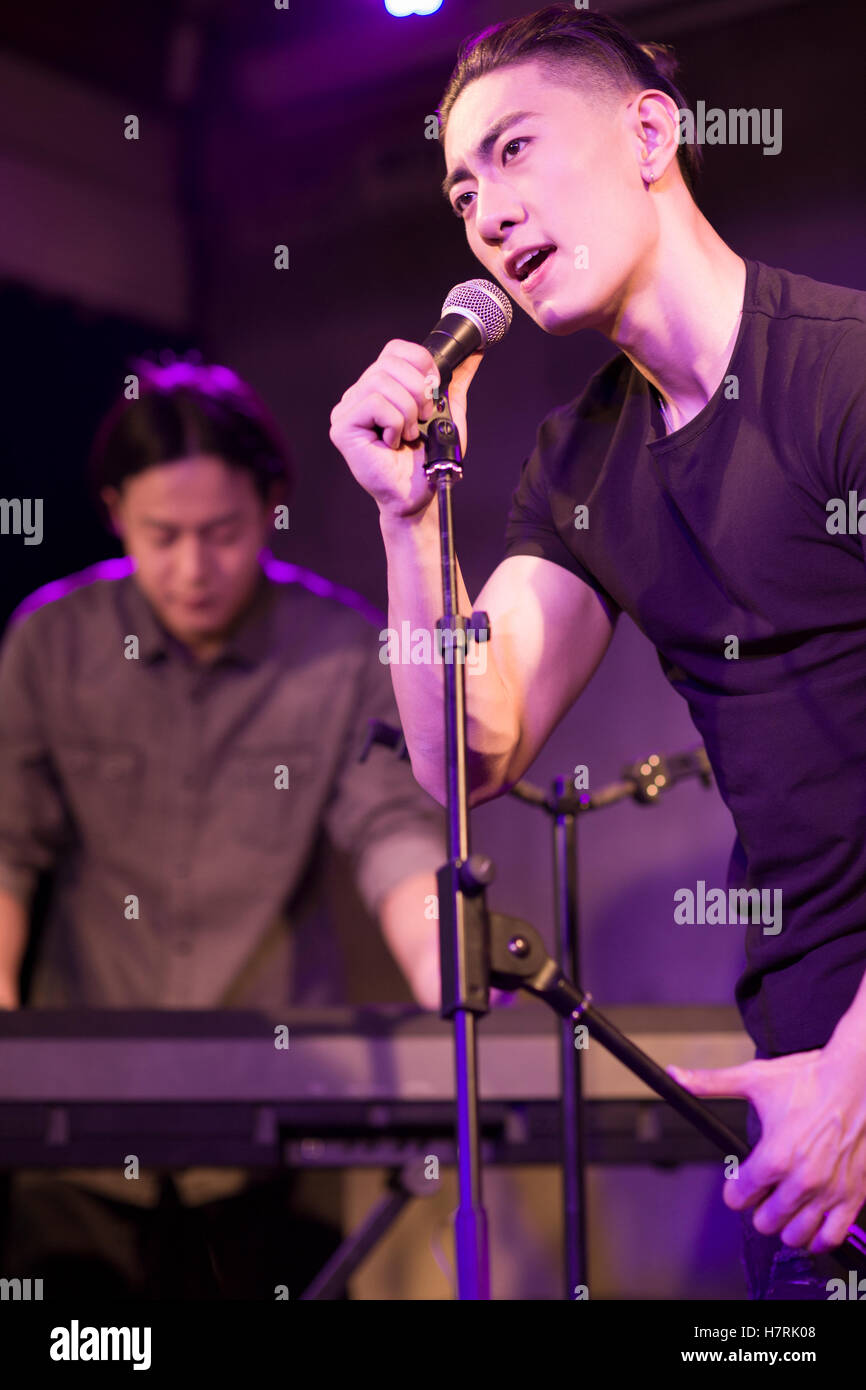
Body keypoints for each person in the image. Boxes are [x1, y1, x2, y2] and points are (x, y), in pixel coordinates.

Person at [329, 5, 866, 1300]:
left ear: (647, 131)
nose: (489, 215)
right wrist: (408, 526)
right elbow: (473, 749)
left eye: (515, 152)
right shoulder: (581, 462)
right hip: (802, 1070)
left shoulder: (841, 374)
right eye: (463, 190)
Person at [0, 356, 448, 1299]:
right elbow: (6, 851)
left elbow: (393, 840)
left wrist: (456, 997)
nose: (194, 568)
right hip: (78, 1128)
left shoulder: (337, 653)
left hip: (274, 1122)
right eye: (163, 536)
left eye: (224, 534)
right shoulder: (50, 643)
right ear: (116, 510)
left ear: (272, 507)